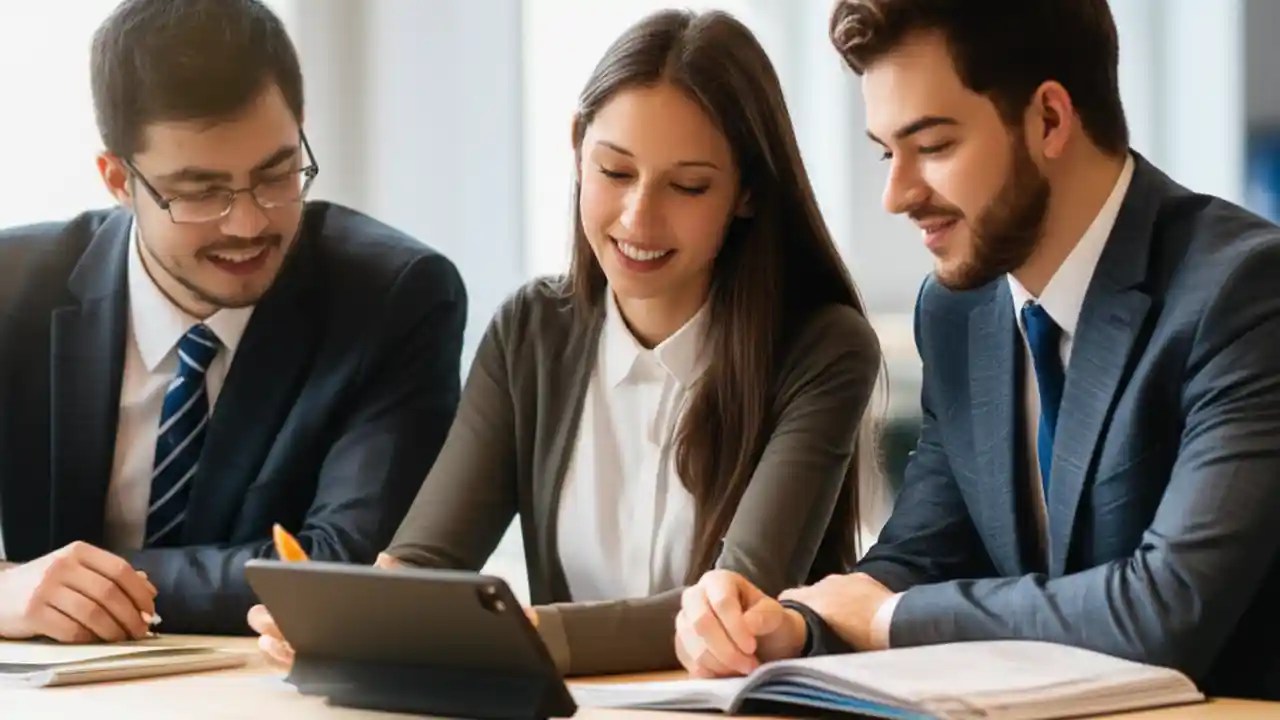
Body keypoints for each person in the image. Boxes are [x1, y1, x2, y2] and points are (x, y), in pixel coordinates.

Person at [674, 0, 1280, 700]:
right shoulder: (960, 312)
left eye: (932, 147)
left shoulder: (1242, 292)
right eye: (885, 152)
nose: (896, 195)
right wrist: (790, 624)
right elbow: (924, 551)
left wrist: (885, 617)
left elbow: (1167, 611)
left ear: (1050, 119)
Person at [249, 8, 882, 677]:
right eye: (614, 171)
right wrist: (353, 617)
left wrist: (511, 634)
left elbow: (736, 611)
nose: (639, 217)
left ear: (747, 191)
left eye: (688, 186)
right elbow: (427, 562)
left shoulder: (823, 349)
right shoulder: (532, 330)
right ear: (577, 147)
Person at [0, 0, 465, 639]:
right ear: (117, 179)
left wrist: (59, 585)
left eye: (276, 174)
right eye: (200, 193)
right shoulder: (12, 289)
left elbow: (342, 571)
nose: (247, 224)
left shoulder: (393, 298)